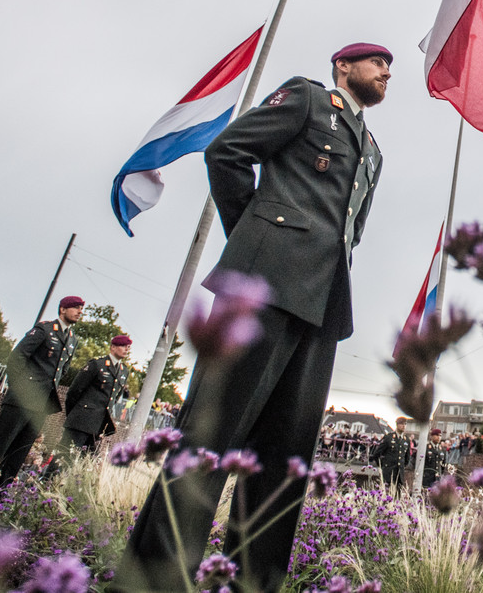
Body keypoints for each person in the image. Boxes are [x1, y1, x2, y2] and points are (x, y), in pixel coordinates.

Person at [125, 43, 391, 593]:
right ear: (343, 66)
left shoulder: (371, 148)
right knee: (210, 437)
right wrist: (255, 237)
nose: (387, 72)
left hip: (321, 306)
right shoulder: (307, 100)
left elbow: (350, 228)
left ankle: (251, 582)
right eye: (376, 62)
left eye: (389, 66)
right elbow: (227, 152)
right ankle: (154, 581)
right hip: (265, 287)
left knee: (283, 463)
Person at [0, 296, 82, 508]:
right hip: (20, 402)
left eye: (81, 309)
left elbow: (60, 372)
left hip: (40, 406)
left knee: (16, 458)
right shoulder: (44, 330)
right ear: (62, 309)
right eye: (76, 308)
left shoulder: (71, 339)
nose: (80, 312)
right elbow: (17, 358)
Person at [60, 334, 133, 453]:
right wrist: (74, 414)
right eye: (123, 346)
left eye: (128, 347)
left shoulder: (123, 371)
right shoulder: (97, 364)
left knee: (85, 462)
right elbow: (75, 391)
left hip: (98, 425)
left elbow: (114, 398)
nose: (126, 349)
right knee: (65, 455)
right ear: (113, 347)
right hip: (81, 420)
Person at [372, 416, 413, 491]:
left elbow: (407, 458)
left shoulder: (406, 439)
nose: (403, 426)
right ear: (397, 425)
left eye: (405, 424)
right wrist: (382, 465)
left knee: (397, 495)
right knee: (386, 492)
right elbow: (376, 454)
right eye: (401, 424)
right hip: (388, 471)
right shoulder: (389, 437)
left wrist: (402, 466)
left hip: (399, 474)